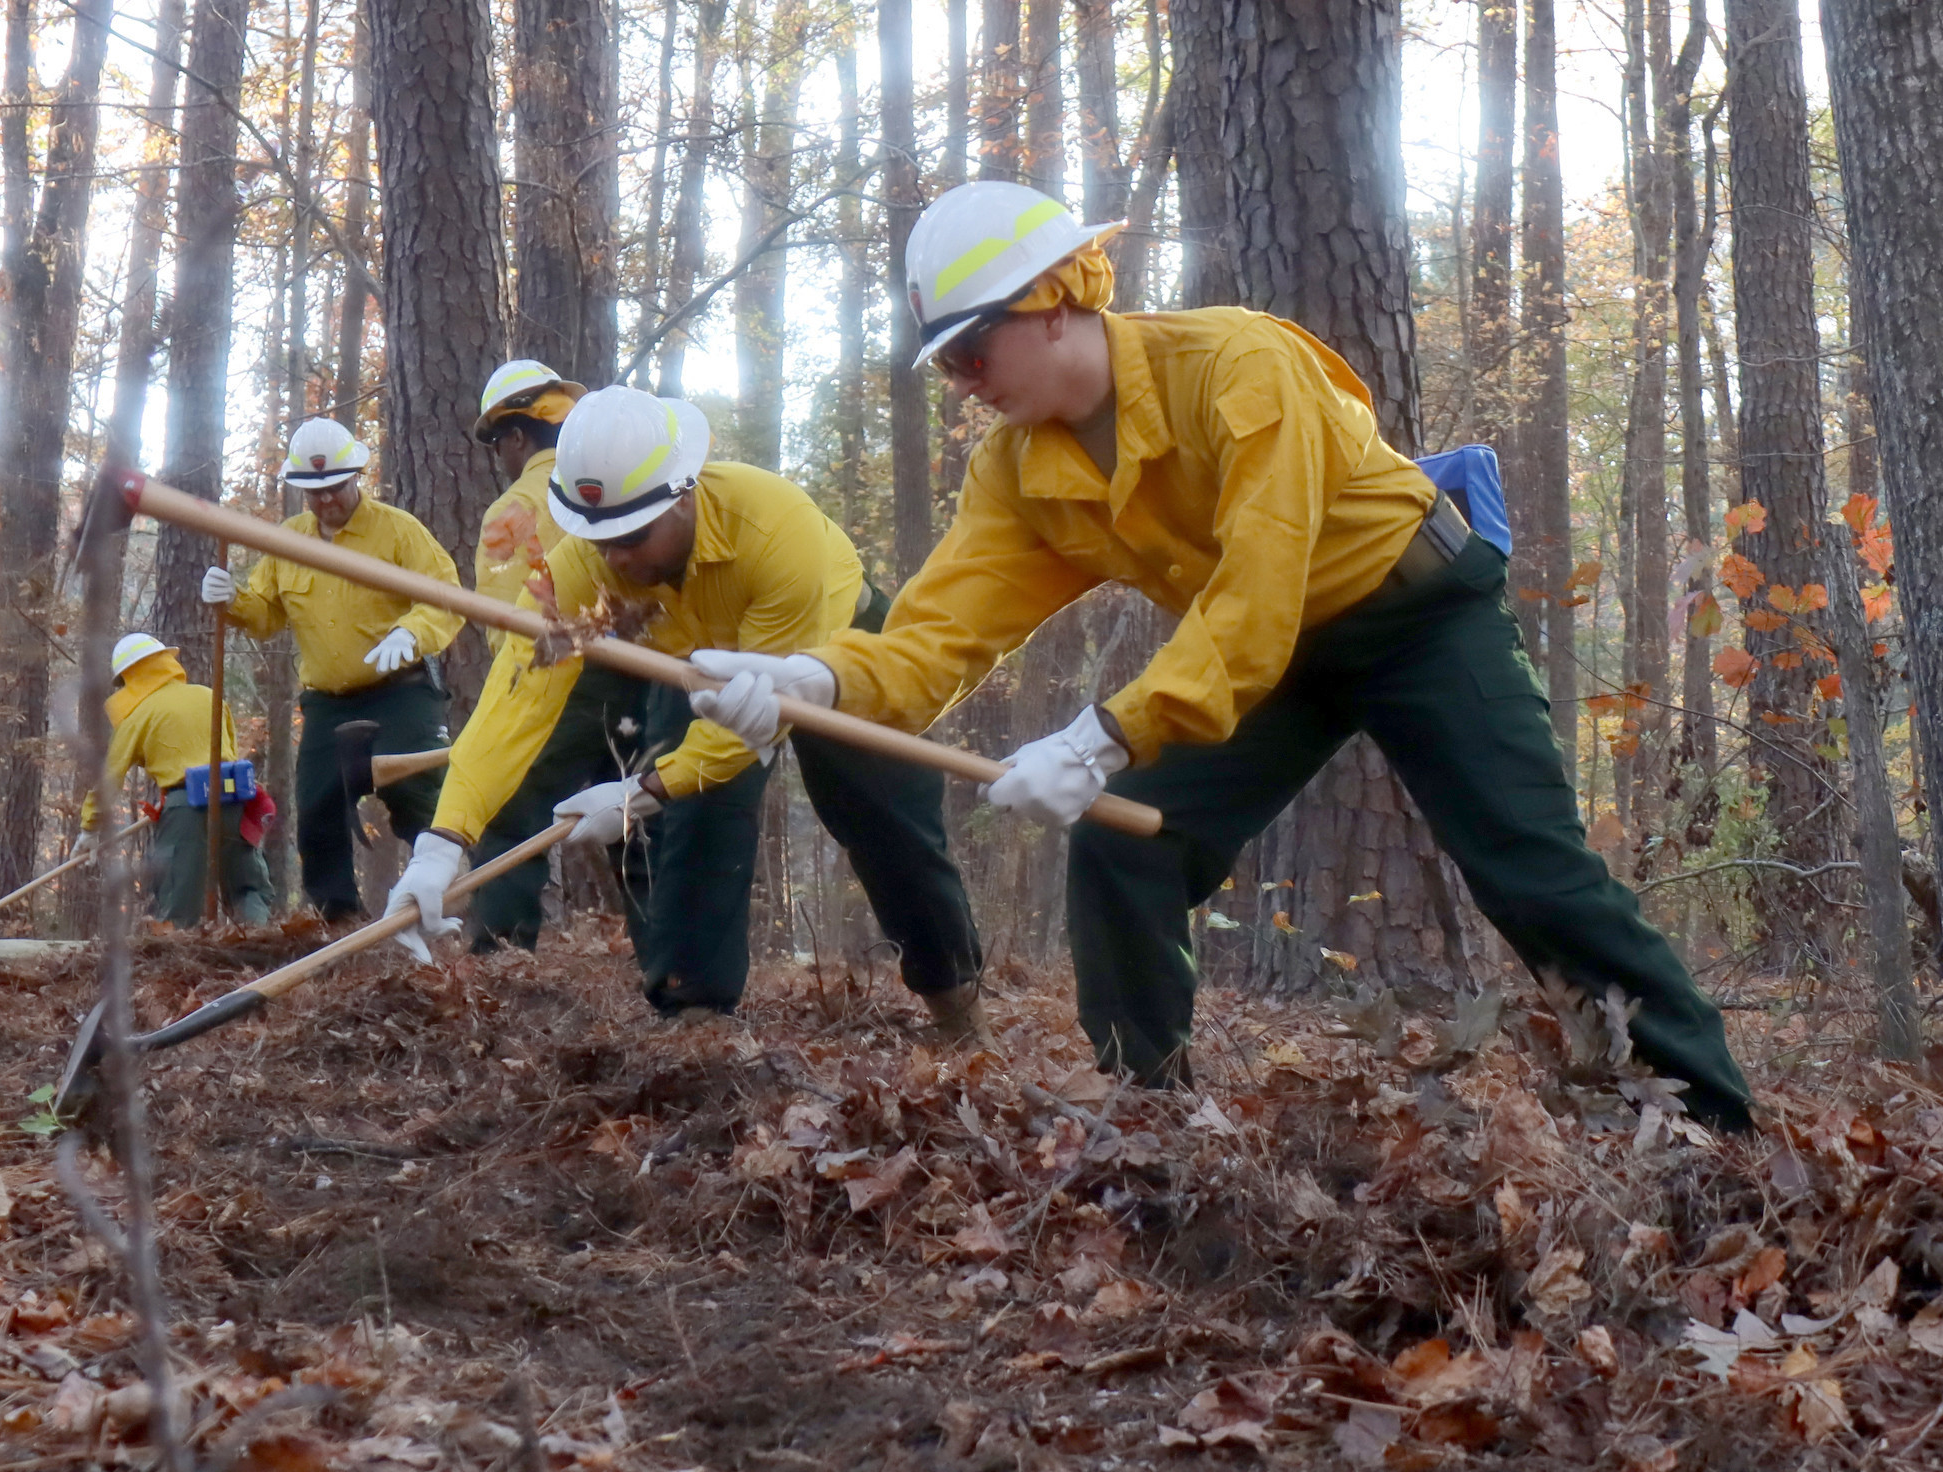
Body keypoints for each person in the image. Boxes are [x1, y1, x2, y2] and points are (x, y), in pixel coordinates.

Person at [686, 179, 1756, 1132]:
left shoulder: (1241, 365)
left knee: (1530, 870)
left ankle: (1710, 1119)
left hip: (1421, 612)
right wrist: (815, 680)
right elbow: (936, 637)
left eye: (973, 347)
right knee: (1125, 842)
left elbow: (1256, 592)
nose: (962, 379)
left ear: (1056, 302)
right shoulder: (1019, 474)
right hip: (1272, 656)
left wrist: (1108, 732)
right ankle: (1146, 1120)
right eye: (947, 360)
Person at [383, 385, 988, 1035]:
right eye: (597, 536)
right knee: (694, 822)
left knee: (886, 819)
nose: (613, 557)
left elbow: (761, 721)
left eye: (632, 535)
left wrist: (644, 788)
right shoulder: (583, 566)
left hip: (831, 647)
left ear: (683, 492)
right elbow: (516, 702)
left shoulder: (776, 530)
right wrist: (442, 845)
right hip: (692, 659)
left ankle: (956, 1006)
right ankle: (698, 1019)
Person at [202, 418, 463, 920]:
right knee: (319, 808)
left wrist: (412, 633)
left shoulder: (398, 531)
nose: (326, 501)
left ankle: (447, 902)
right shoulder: (289, 541)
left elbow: (445, 598)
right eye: (314, 492)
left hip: (400, 692)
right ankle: (337, 923)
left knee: (420, 797)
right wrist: (232, 599)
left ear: (357, 477)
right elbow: (265, 613)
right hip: (327, 702)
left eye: (336, 488)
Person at [463, 360, 640, 951]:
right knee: (640, 809)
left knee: (512, 809)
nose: (501, 459)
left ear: (517, 436)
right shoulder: (615, 484)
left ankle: (498, 958)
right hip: (639, 678)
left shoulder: (509, 514)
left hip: (558, 685)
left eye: (499, 446)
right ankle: (672, 959)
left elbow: (506, 629)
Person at [74, 632, 273, 927]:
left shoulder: (137, 716)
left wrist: (90, 828)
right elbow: (227, 749)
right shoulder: (209, 695)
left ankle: (179, 968)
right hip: (234, 796)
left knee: (178, 899)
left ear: (128, 678)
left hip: (185, 808)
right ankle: (263, 949)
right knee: (247, 886)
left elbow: (110, 777)